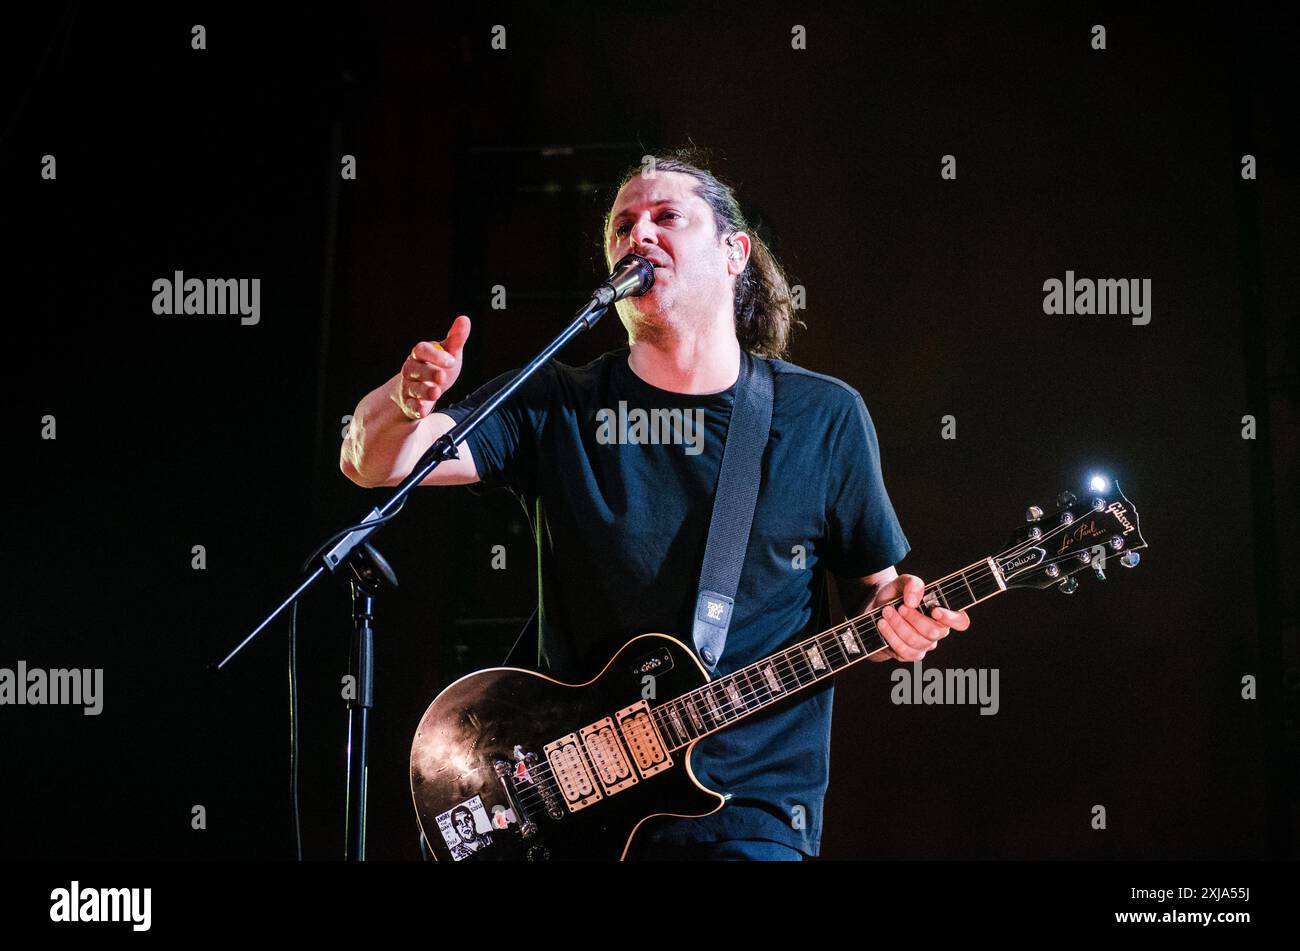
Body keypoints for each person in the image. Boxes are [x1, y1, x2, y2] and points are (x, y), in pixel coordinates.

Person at [340, 149, 971, 860]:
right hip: (567, 813)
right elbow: (372, 462)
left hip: (747, 819)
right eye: (621, 226)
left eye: (667, 217)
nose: (638, 235)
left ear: (734, 254)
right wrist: (400, 402)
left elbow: (879, 595)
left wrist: (903, 618)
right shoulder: (560, 403)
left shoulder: (822, 416)